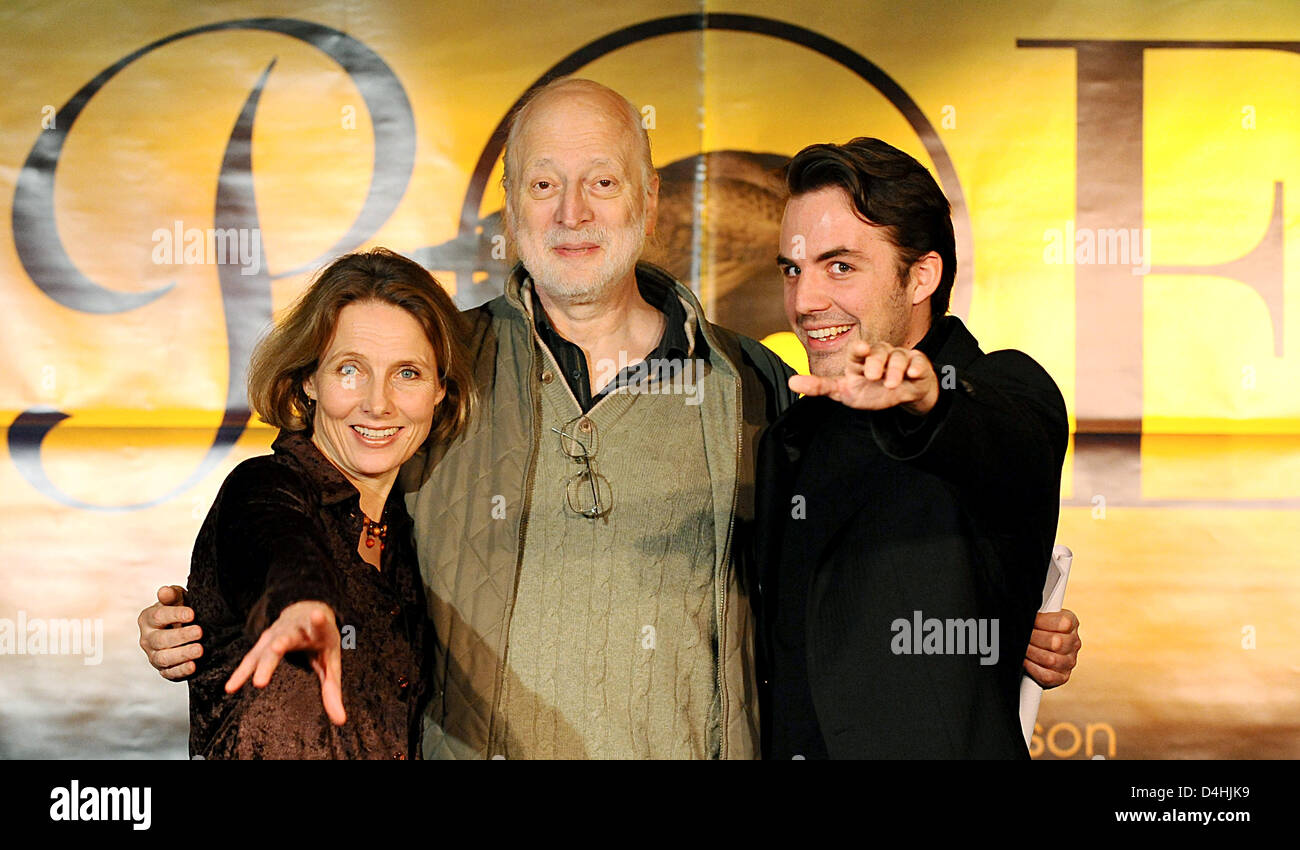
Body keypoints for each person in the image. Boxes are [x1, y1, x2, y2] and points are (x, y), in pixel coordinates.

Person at [140, 79, 1080, 759]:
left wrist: (990, 625)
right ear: (511, 207)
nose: (572, 212)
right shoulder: (438, 367)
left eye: (601, 181)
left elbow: (889, 535)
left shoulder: (759, 390)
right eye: (544, 185)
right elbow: (304, 498)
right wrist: (217, 615)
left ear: (648, 199)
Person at [758, 138, 1070, 758]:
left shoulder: (1001, 389)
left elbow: (1001, 439)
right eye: (794, 269)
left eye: (840, 266)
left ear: (921, 275)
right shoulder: (787, 435)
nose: (804, 301)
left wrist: (930, 402)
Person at [185, 248, 474, 759]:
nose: (378, 402)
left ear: (440, 392)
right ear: (307, 380)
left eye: (407, 372)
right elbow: (277, 540)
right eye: (350, 369)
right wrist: (301, 603)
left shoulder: (412, 532)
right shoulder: (263, 486)